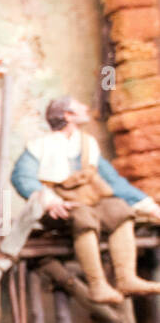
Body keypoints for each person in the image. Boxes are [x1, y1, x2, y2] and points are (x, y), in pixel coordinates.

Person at [10, 95, 160, 303]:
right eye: (79, 106)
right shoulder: (40, 146)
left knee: (120, 210)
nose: (86, 108)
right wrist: (50, 200)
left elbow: (113, 181)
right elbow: (22, 177)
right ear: (67, 115)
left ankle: (127, 278)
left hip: (90, 199)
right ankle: (97, 285)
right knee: (82, 217)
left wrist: (148, 206)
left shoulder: (88, 144)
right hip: (61, 206)